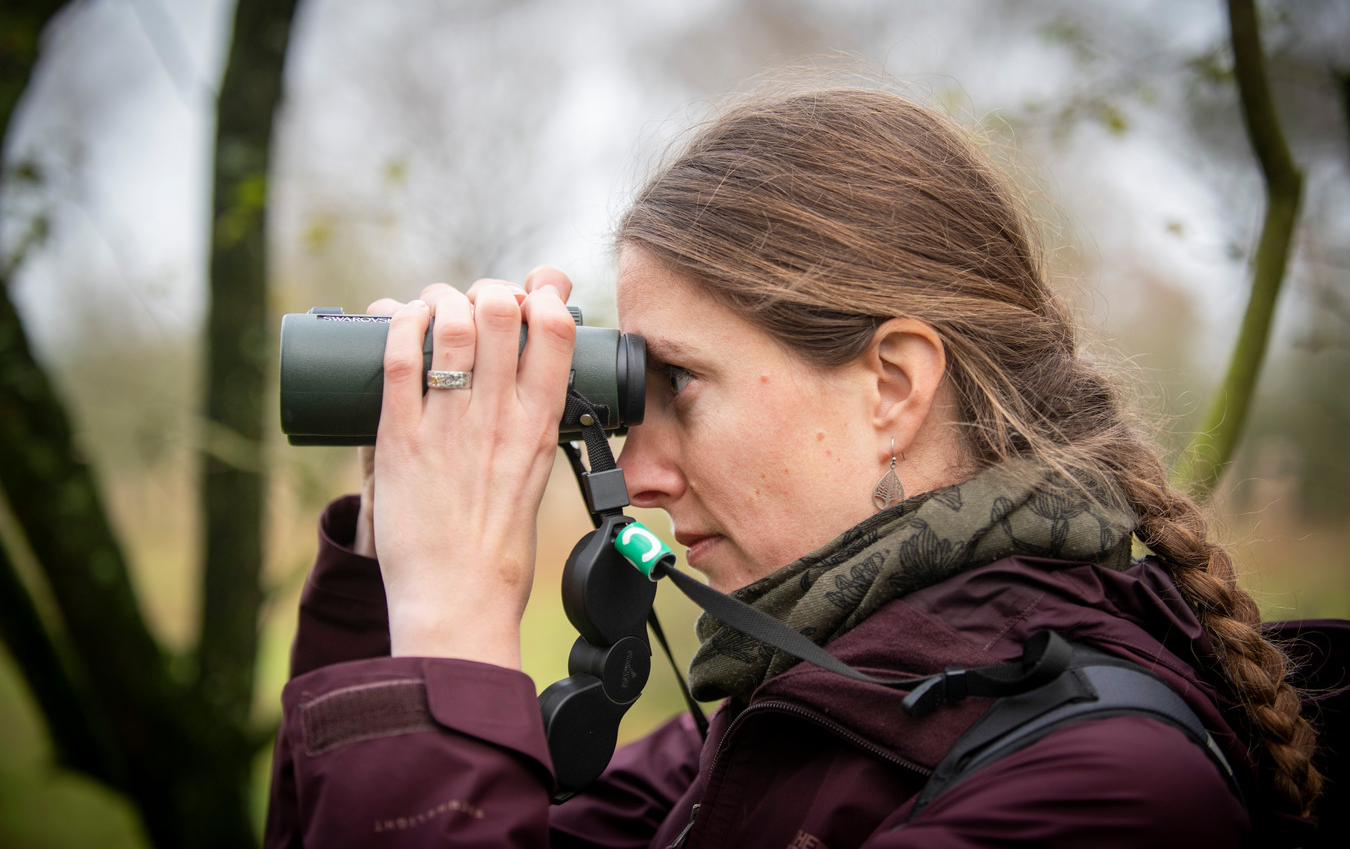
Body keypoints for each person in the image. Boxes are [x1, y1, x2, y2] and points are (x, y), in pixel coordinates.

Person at [265, 85, 1323, 847]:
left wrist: (455, 625)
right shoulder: (791, 721)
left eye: (677, 384)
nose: (638, 474)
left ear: (893, 387)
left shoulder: (1102, 788)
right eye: (633, 391)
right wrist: (392, 534)